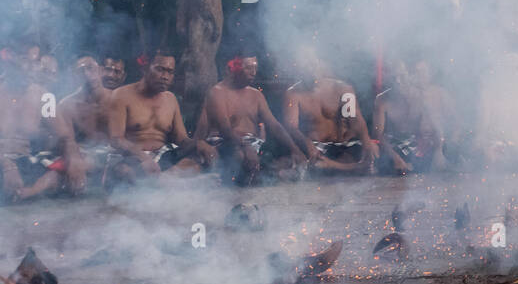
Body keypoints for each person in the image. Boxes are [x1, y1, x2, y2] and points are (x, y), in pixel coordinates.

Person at [195, 53, 312, 183]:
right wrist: (246, 147)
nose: (253, 73)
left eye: (255, 68)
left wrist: (295, 149)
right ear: (232, 69)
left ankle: (267, 174)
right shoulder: (217, 92)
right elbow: (225, 129)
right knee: (239, 157)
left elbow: (274, 125)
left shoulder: (256, 95)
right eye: (248, 68)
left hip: (253, 145)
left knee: (290, 161)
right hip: (227, 144)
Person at [107, 47, 216, 177]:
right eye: (160, 69)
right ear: (145, 68)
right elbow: (116, 139)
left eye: (170, 72)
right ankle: (169, 180)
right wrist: (143, 158)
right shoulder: (121, 95)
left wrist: (199, 144)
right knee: (125, 172)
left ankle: (163, 179)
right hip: (134, 158)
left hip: (164, 156)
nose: (165, 77)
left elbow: (181, 138)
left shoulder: (170, 99)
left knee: (201, 158)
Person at [0, 50, 87, 201]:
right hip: (3, 162)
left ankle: (25, 192)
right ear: (8, 59)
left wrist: (74, 160)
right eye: (25, 60)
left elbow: (65, 137)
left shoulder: (44, 96)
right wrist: (7, 165)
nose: (31, 67)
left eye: (35, 62)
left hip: (24, 163)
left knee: (67, 169)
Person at [282, 52, 377, 173]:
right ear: (298, 69)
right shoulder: (293, 94)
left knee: (375, 152)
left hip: (343, 146)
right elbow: (291, 127)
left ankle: (337, 167)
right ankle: (350, 168)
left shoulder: (343, 88)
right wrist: (308, 145)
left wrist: (366, 142)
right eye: (305, 66)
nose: (310, 69)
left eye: (313, 65)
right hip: (317, 148)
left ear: (319, 64)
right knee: (308, 162)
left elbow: (355, 119)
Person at [372, 59, 454, 174]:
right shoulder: (382, 100)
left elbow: (436, 127)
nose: (398, 81)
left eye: (402, 76)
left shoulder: (421, 97)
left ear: (409, 76)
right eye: (394, 77)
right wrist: (395, 158)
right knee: (376, 157)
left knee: (444, 157)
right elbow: (378, 134)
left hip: (416, 145)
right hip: (393, 146)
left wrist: (438, 151)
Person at [59, 55, 117, 186]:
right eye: (80, 71)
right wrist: (74, 160)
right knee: (60, 169)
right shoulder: (66, 105)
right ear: (75, 76)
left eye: (90, 68)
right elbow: (68, 140)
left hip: (114, 155)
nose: (86, 74)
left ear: (101, 71)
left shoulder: (118, 99)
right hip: (85, 154)